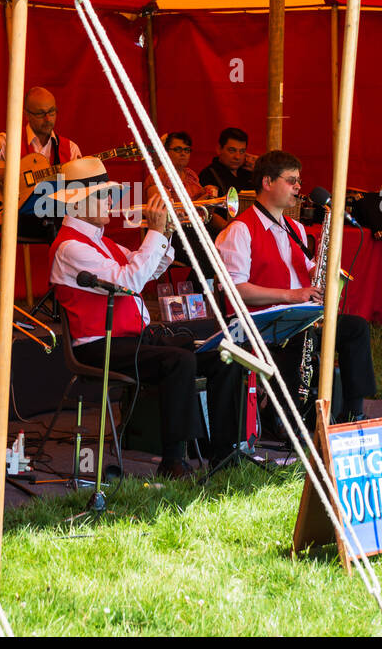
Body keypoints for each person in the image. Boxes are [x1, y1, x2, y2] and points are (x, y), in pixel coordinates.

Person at [48, 157, 243, 476]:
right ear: (78, 201)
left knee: (222, 354)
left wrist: (165, 231)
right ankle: (173, 461)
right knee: (178, 362)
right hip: (99, 344)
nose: (111, 201)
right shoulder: (70, 248)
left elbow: (150, 270)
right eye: (103, 195)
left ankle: (222, 452)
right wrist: (154, 231)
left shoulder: (102, 242)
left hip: (130, 338)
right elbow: (129, 283)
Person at [215, 150, 375, 428]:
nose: (299, 187)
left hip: (298, 320)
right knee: (303, 337)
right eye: (291, 181)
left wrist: (323, 272)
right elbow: (236, 289)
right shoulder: (240, 230)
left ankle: (353, 414)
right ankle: (286, 419)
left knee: (356, 327)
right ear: (267, 182)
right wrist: (292, 296)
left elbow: (308, 268)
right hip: (261, 324)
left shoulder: (296, 229)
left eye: (299, 180)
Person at [0, 86, 83, 241]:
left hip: (59, 228)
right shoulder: (8, 142)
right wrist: (6, 175)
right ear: (26, 114)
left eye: (52, 112)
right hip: (18, 222)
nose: (48, 119)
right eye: (40, 114)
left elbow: (79, 193)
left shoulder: (70, 149)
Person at [142, 131, 220, 281]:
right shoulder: (157, 177)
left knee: (223, 249)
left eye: (186, 150)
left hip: (196, 228)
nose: (183, 153)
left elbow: (204, 212)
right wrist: (200, 202)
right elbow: (166, 212)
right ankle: (201, 297)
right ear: (165, 152)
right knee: (206, 260)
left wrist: (210, 200)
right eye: (177, 149)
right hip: (173, 232)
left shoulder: (191, 175)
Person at [198, 128, 254, 233]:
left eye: (242, 151)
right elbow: (208, 214)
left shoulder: (249, 173)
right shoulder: (208, 174)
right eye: (232, 150)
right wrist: (233, 231)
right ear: (219, 149)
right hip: (224, 234)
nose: (237, 157)